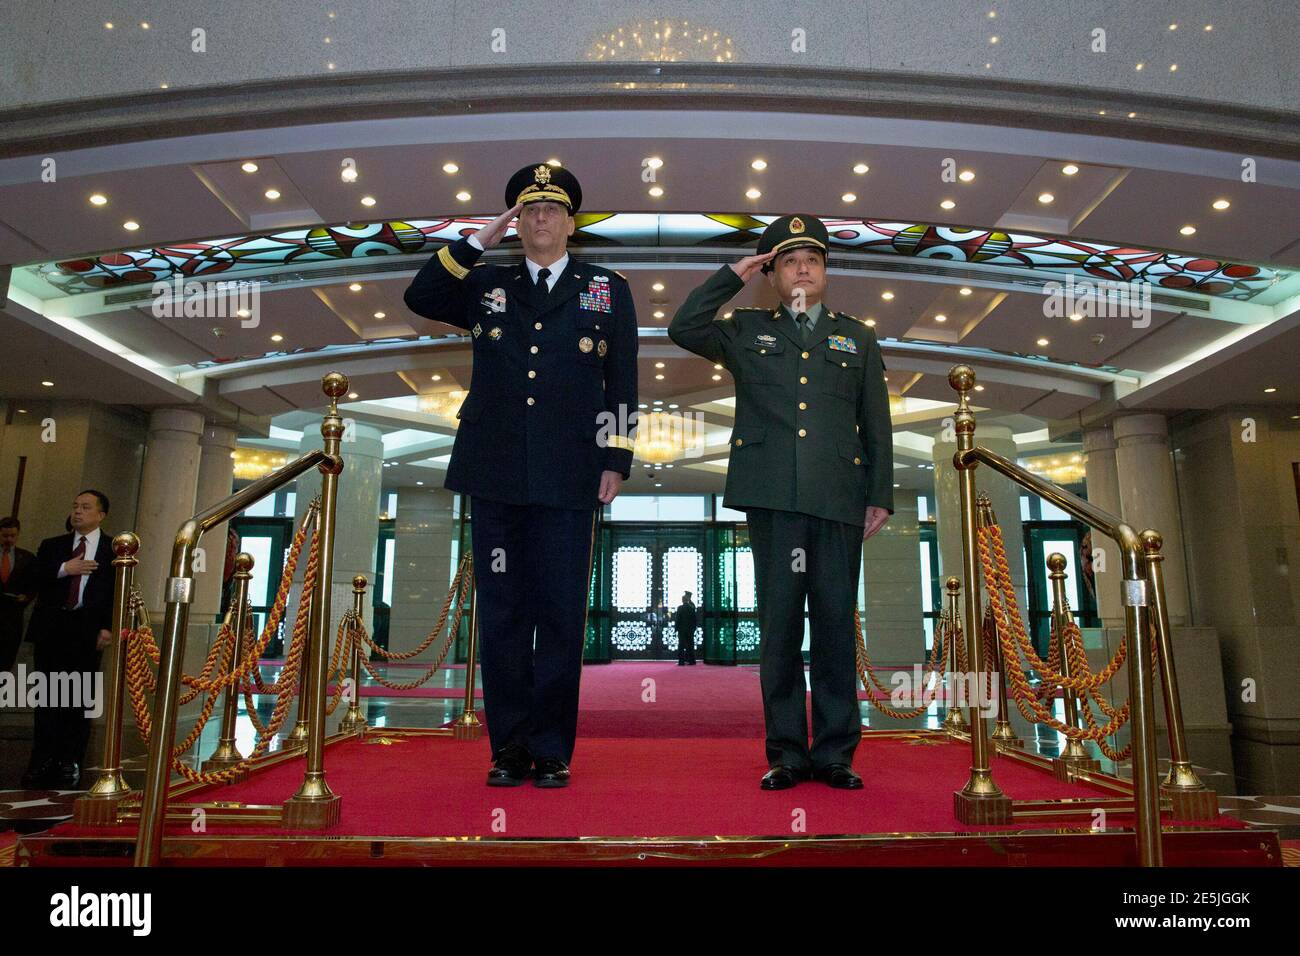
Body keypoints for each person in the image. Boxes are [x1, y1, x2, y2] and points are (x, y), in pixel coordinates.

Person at [404, 163, 638, 788]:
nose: (541, 219)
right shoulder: (485, 283)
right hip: (496, 469)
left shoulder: (606, 288)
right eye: (529, 210)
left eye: (552, 209)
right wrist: (476, 238)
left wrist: (616, 458)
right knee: (503, 613)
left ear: (571, 222)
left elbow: (623, 382)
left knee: (560, 614)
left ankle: (553, 749)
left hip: (570, 474)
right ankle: (508, 748)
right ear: (516, 222)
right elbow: (421, 296)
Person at [669, 215, 894, 791]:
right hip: (773, 500)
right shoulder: (745, 328)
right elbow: (683, 326)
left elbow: (877, 424)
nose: (803, 269)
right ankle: (788, 753)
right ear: (772, 273)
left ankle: (836, 753)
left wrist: (880, 496)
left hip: (839, 501)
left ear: (825, 272)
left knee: (836, 629)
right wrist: (731, 275)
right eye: (790, 260)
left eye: (813, 260)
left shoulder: (857, 336)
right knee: (780, 630)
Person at [21, 490, 116, 789]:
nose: (78, 512)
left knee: (79, 698)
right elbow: (33, 577)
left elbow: (118, 591)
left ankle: (70, 760)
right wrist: (66, 569)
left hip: (87, 631)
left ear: (100, 514)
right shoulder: (54, 546)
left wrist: (108, 627)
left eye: (86, 508)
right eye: (75, 506)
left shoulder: (114, 549)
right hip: (52, 628)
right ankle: (42, 759)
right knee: (48, 697)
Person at [0, 516, 36, 672]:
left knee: (6, 659)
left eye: (13, 536)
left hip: (12, 617)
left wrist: (26, 597)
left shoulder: (27, 558)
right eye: (5, 535)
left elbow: (34, 584)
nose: (9, 539)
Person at [674, 591, 698, 665]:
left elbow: (678, 619)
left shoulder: (680, 608)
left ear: (683, 600)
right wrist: (694, 628)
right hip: (690, 629)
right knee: (690, 645)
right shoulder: (692, 607)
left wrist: (676, 628)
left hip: (682, 629)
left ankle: (681, 661)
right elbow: (695, 619)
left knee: (681, 645)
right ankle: (692, 661)